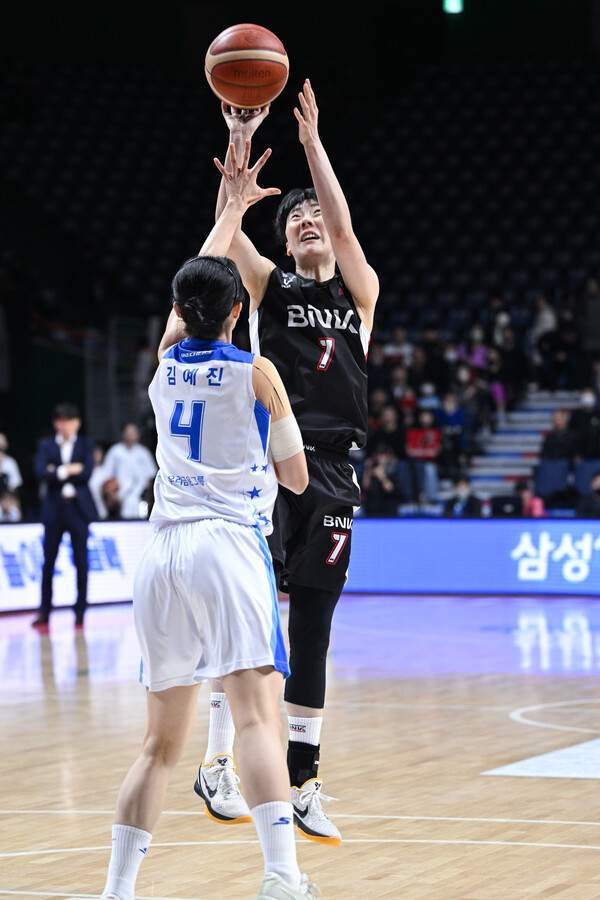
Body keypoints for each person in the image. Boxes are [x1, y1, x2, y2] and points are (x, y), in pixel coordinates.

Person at [75, 143, 317, 900]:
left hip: (162, 555)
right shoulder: (259, 372)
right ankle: (282, 876)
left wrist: (231, 209)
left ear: (181, 313)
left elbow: (197, 286)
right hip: (228, 545)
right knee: (257, 722)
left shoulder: (163, 365)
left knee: (157, 745)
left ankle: (118, 890)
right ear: (239, 311)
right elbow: (296, 478)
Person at [195, 80, 378, 847]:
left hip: (334, 474)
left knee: (313, 630)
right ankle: (217, 762)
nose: (307, 221)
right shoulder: (271, 285)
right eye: (295, 217)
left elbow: (344, 222)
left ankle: (305, 783)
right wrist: (240, 136)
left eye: (315, 217)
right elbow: (226, 229)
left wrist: (311, 143)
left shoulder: (360, 293)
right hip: (267, 464)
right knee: (247, 619)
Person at [33, 403, 96, 628]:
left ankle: (80, 609)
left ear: (77, 423)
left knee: (81, 560)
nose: (65, 426)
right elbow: (41, 473)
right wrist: (68, 469)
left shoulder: (86, 444)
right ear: (55, 423)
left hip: (78, 509)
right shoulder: (46, 445)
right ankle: (44, 610)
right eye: (61, 421)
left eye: (69, 421)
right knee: (49, 560)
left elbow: (86, 473)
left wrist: (56, 470)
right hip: (54, 509)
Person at [101, 422, 157, 519]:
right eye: (128, 433)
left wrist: (147, 494)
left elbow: (151, 475)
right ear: (123, 434)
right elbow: (106, 474)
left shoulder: (144, 452)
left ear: (138, 435)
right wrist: (112, 493)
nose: (131, 436)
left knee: (135, 505)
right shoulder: (115, 451)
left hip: (140, 493)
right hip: (119, 494)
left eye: (133, 433)